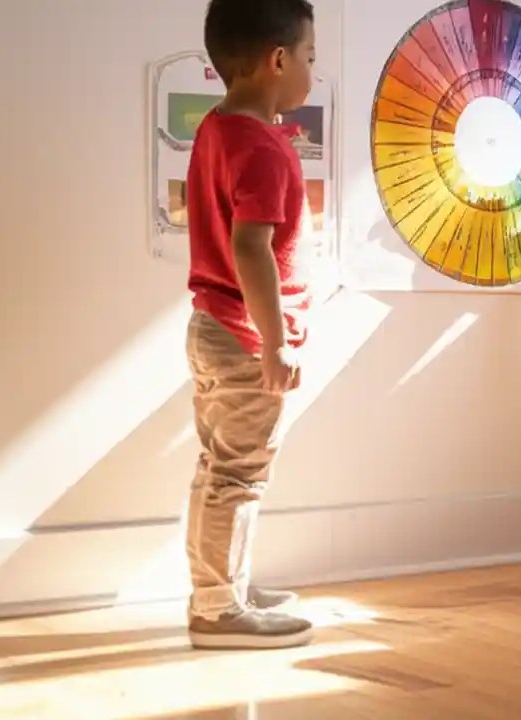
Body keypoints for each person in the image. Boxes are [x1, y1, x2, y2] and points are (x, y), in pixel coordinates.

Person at [183, 0, 317, 650]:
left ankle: (222, 588)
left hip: (212, 325)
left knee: (217, 467)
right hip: (242, 335)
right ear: (278, 60)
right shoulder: (261, 148)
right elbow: (250, 247)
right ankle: (217, 608)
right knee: (238, 474)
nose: (312, 70)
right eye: (311, 56)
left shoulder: (218, 128)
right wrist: (276, 341)